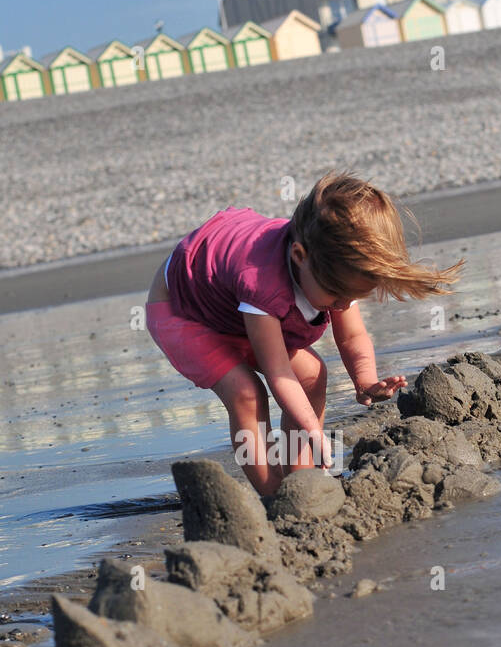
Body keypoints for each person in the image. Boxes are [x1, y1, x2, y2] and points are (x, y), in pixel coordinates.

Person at [147, 171, 460, 496]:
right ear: (299, 256)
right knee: (246, 393)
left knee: (312, 375)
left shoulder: (332, 268)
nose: (341, 306)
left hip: (230, 308)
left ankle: (303, 476)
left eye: (350, 297)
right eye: (335, 295)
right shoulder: (261, 283)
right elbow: (278, 371)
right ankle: (273, 494)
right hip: (181, 311)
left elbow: (352, 337)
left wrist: (365, 380)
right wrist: (314, 430)